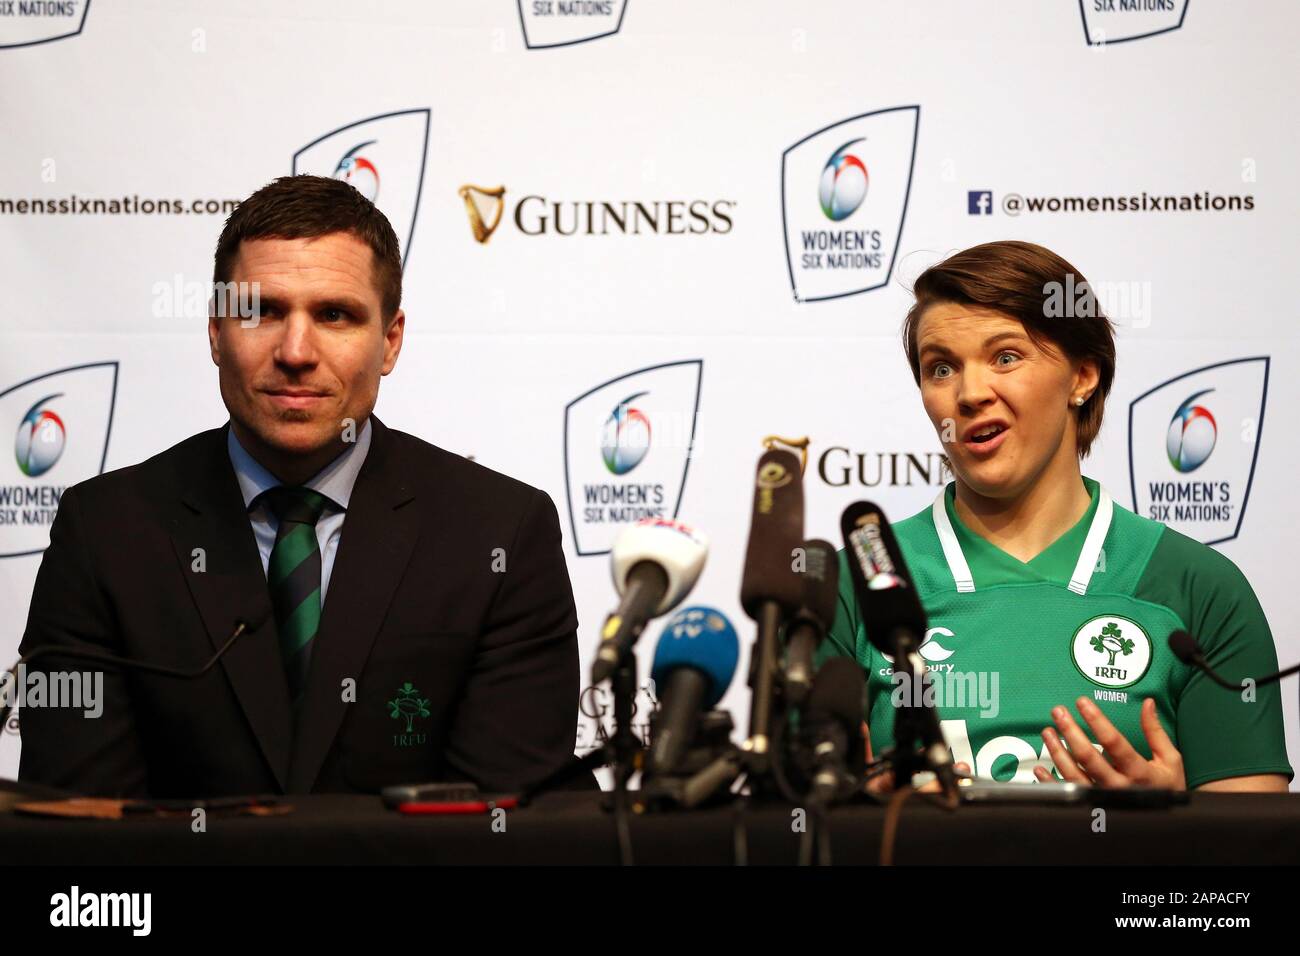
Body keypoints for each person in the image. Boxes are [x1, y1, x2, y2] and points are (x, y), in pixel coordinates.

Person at [18, 175, 583, 797]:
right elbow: (79, 824)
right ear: (214, 333)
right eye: (261, 311)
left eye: (334, 315)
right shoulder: (105, 532)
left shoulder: (500, 532)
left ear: (389, 341)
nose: (295, 351)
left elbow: (505, 828)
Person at [822, 240, 1292, 792]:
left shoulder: (1199, 588)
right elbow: (794, 825)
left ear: (1082, 376)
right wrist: (866, 807)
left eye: (1005, 356)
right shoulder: (855, 585)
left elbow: (1253, 849)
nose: (971, 394)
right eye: (941, 367)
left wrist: (1170, 822)